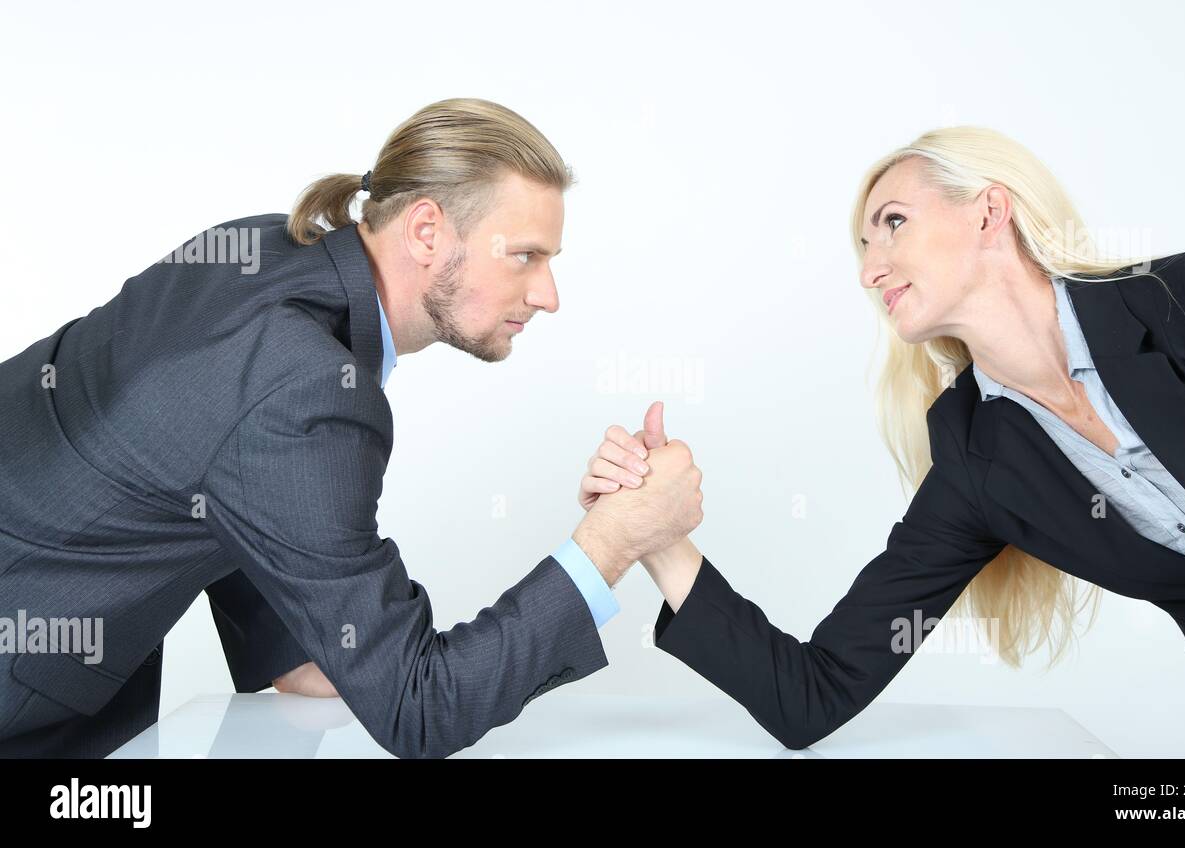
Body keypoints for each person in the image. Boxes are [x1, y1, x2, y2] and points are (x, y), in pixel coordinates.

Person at [0, 97, 703, 758]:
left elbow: (209, 456)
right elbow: (422, 708)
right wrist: (611, 543)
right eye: (525, 255)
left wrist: (309, 646)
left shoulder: (260, 247)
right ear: (427, 231)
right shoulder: (307, 390)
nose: (548, 295)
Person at [579, 126, 1185, 757]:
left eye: (893, 223)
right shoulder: (977, 468)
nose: (870, 269)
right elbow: (813, 696)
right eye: (862, 248)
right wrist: (657, 537)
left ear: (990, 211)